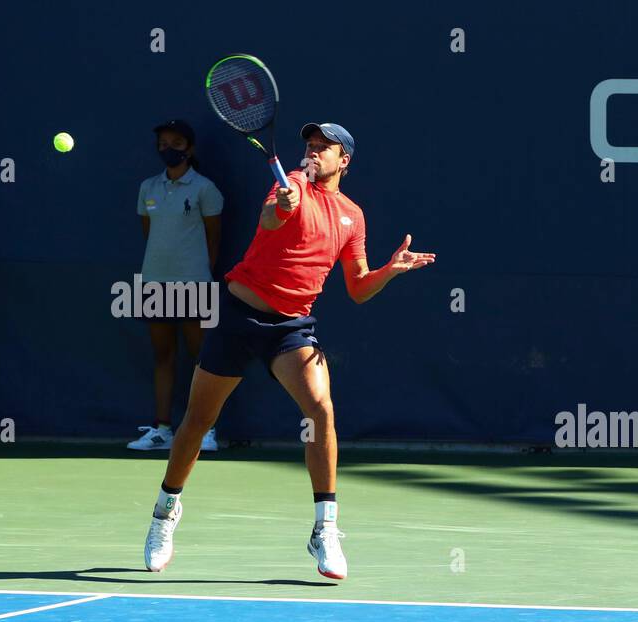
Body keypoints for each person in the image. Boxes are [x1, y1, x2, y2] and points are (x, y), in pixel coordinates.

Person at [142, 123, 435, 579]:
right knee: (198, 421)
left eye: (324, 148)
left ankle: (325, 529)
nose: (313, 153)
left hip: (291, 328)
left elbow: (357, 288)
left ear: (345, 161)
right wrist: (281, 206)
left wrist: (390, 271)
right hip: (240, 315)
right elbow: (270, 219)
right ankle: (165, 512)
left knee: (321, 409)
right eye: (310, 146)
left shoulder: (352, 216)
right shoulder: (292, 184)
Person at [131, 119, 222, 452]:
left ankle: (205, 430)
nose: (168, 148)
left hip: (195, 283)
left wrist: (198, 272)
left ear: (190, 148)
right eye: (163, 143)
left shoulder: (205, 189)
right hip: (155, 282)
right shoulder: (148, 188)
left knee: (203, 361)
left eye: (176, 142)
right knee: (163, 356)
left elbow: (214, 238)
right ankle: (162, 430)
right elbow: (150, 233)